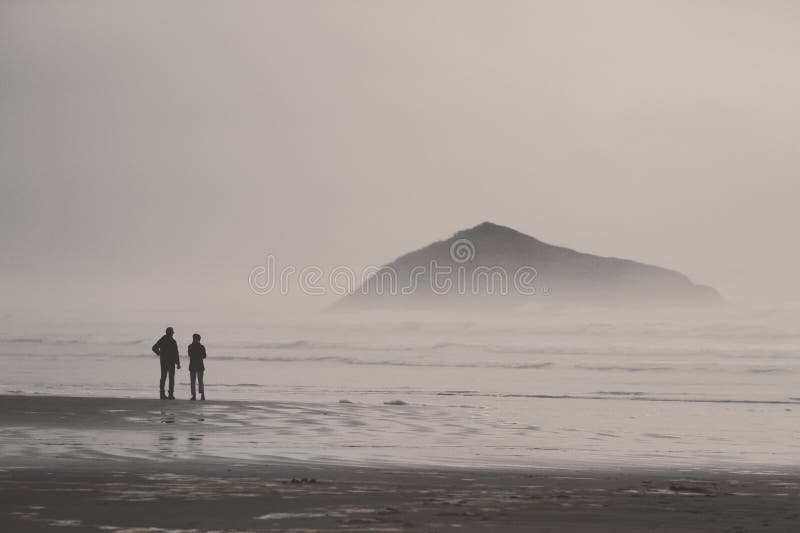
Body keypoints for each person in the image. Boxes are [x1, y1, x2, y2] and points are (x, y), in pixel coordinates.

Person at [152, 327, 180, 399]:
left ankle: (162, 394)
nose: (173, 334)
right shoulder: (173, 341)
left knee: (163, 377)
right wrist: (178, 363)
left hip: (163, 361)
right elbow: (176, 353)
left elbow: (154, 348)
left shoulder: (163, 339)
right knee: (171, 378)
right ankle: (170, 394)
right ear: (171, 333)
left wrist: (160, 354)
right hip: (171, 362)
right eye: (172, 333)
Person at [188, 333, 207, 401]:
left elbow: (189, 354)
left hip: (192, 365)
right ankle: (202, 395)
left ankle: (194, 396)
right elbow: (204, 356)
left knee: (193, 381)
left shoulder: (190, 346)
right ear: (199, 339)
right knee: (200, 381)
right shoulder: (202, 347)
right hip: (200, 365)